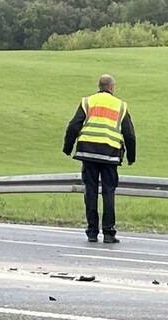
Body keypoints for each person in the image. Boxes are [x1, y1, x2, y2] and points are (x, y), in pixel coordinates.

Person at [63, 74, 136, 244]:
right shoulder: (120, 106)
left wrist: (68, 148)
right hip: (110, 154)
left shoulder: (87, 102)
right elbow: (129, 134)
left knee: (91, 191)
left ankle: (92, 232)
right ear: (112, 87)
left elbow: (74, 125)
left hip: (88, 152)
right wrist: (131, 157)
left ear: (99, 86)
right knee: (108, 192)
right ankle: (109, 233)